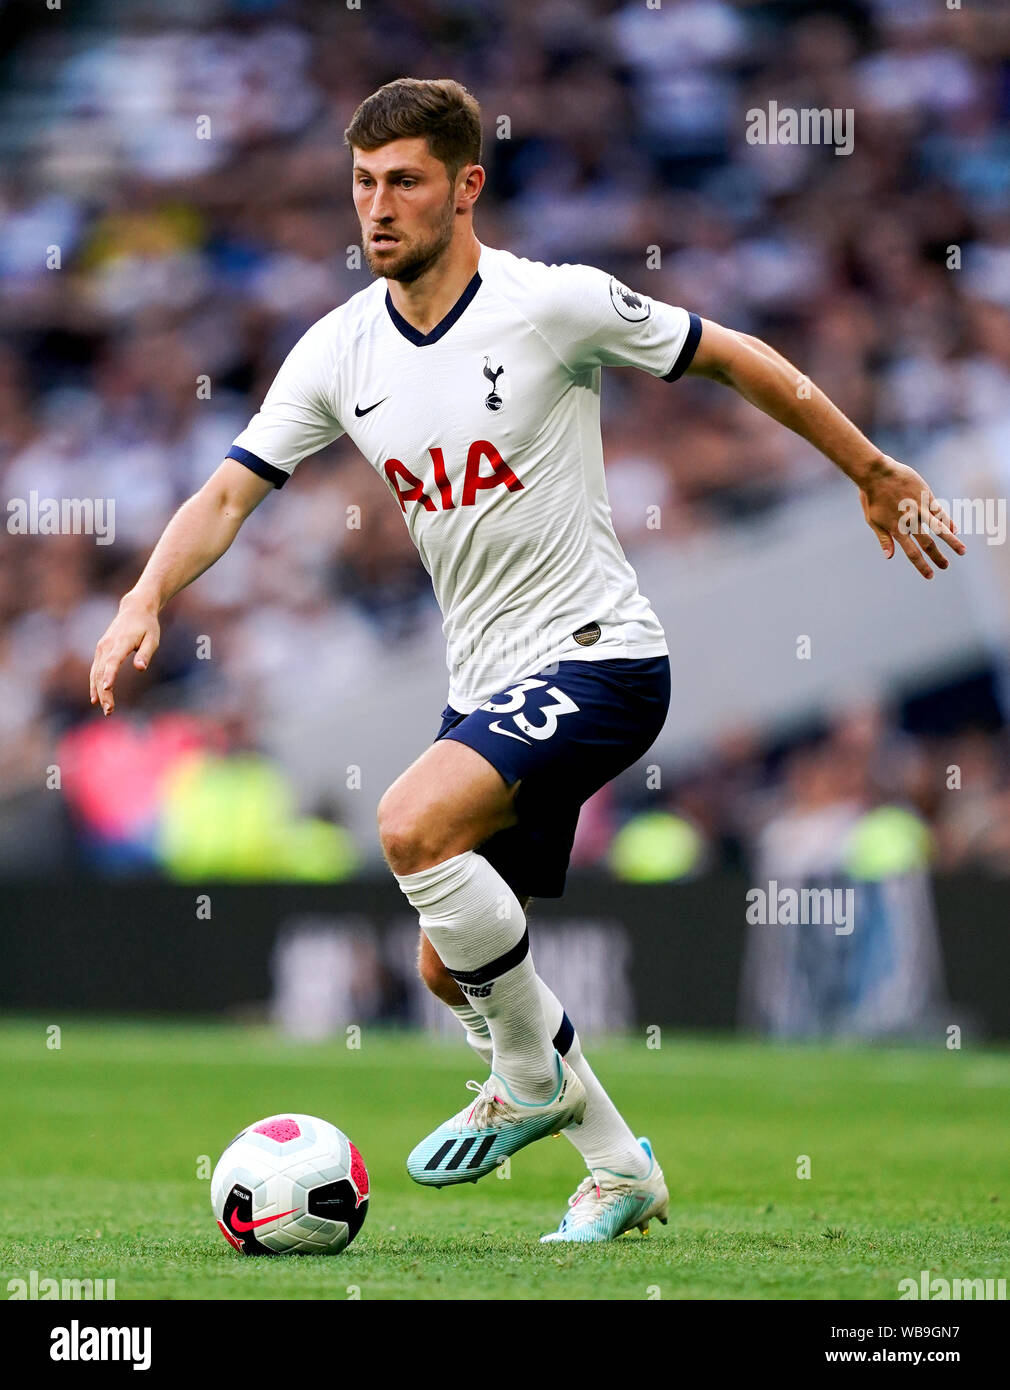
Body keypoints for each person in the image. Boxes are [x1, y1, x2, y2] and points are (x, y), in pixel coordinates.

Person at [89, 77, 965, 1242]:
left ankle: (529, 1084)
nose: (377, 207)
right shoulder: (338, 348)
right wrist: (145, 593)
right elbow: (225, 491)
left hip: (601, 658)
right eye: (361, 184)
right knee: (451, 974)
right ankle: (615, 1166)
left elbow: (735, 355)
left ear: (465, 188)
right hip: (484, 687)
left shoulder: (549, 304)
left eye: (402, 181)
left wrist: (870, 469)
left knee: (409, 826)